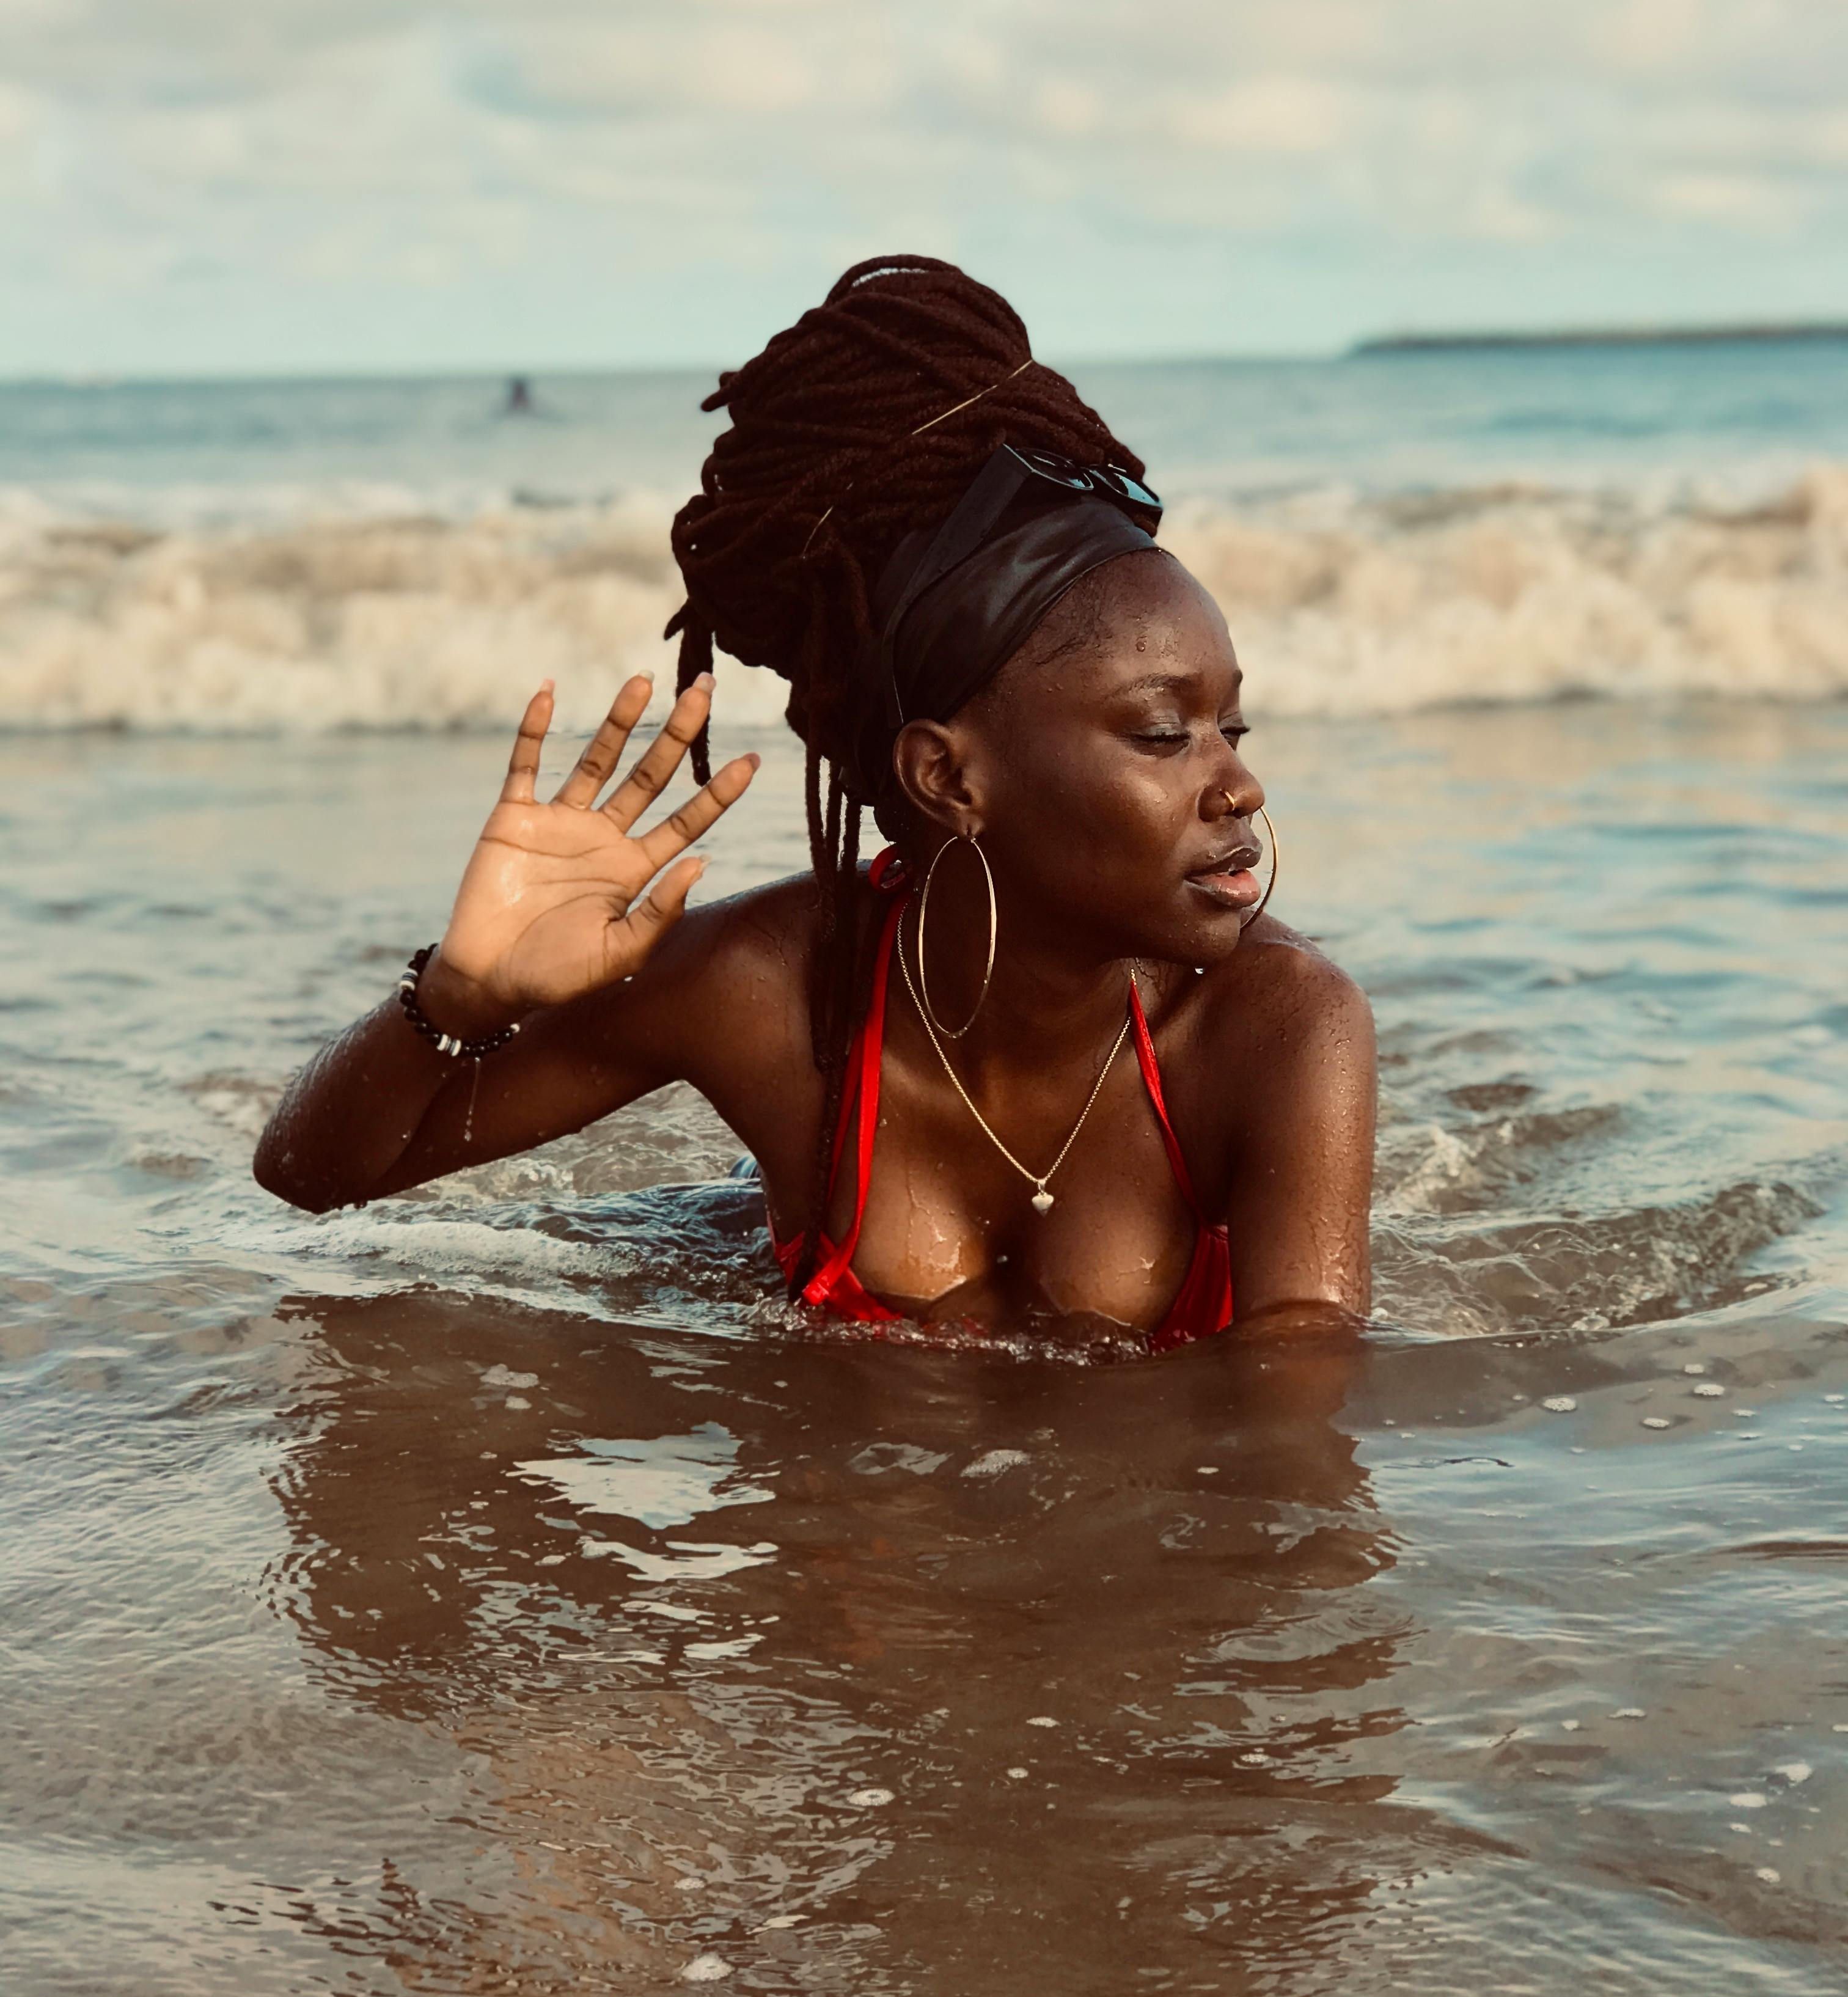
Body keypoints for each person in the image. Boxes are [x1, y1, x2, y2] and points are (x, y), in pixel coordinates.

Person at [255, 258, 1375, 1346]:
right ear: (948, 778)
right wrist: (453, 1000)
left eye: (1232, 728)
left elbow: (1300, 1407)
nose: (1239, 783)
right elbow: (312, 1176)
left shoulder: (1278, 1027)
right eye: (1165, 734)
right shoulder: (769, 996)